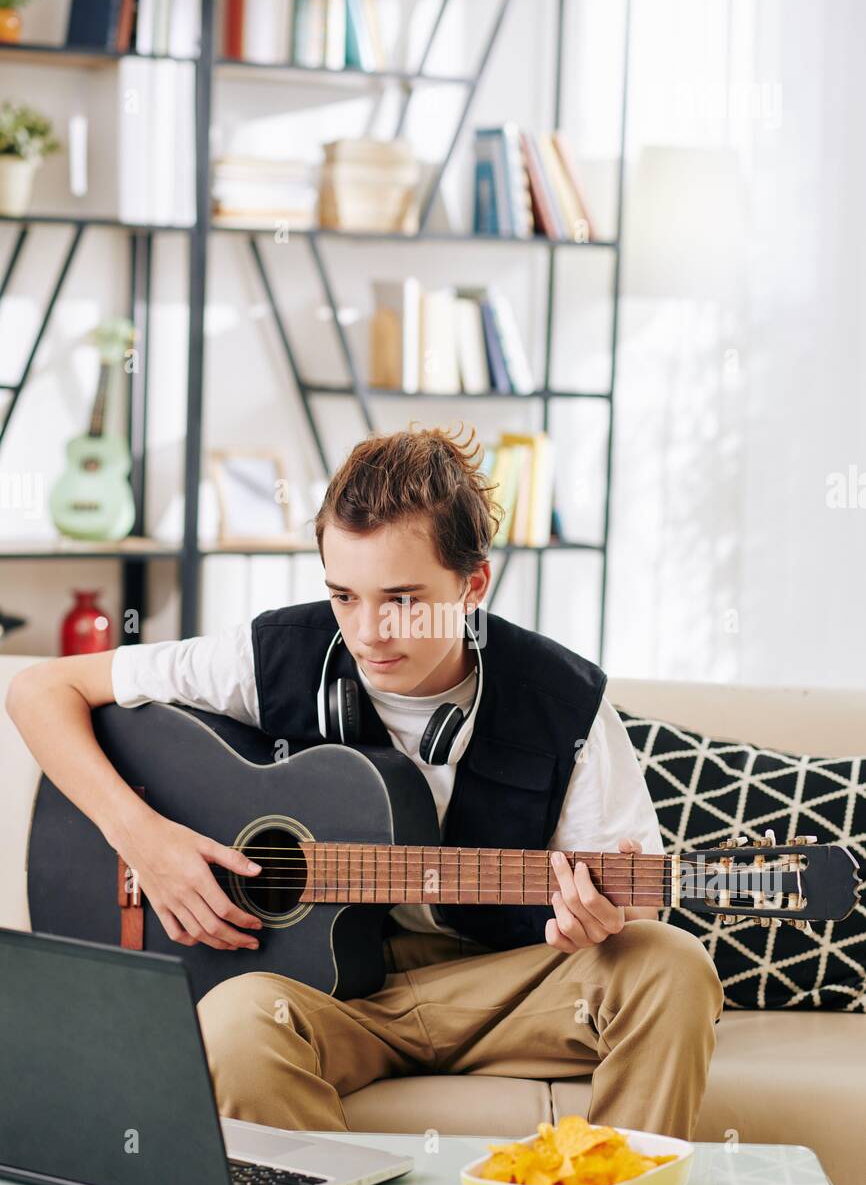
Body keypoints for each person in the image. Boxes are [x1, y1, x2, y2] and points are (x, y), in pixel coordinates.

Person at [7, 423, 723, 1140]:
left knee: (669, 965)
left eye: (403, 599)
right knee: (233, 1022)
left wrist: (596, 922)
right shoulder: (274, 656)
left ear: (473, 583)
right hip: (327, 999)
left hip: (498, 986)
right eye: (344, 596)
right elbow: (39, 691)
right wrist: (146, 839)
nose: (368, 632)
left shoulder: (564, 702)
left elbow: (633, 913)